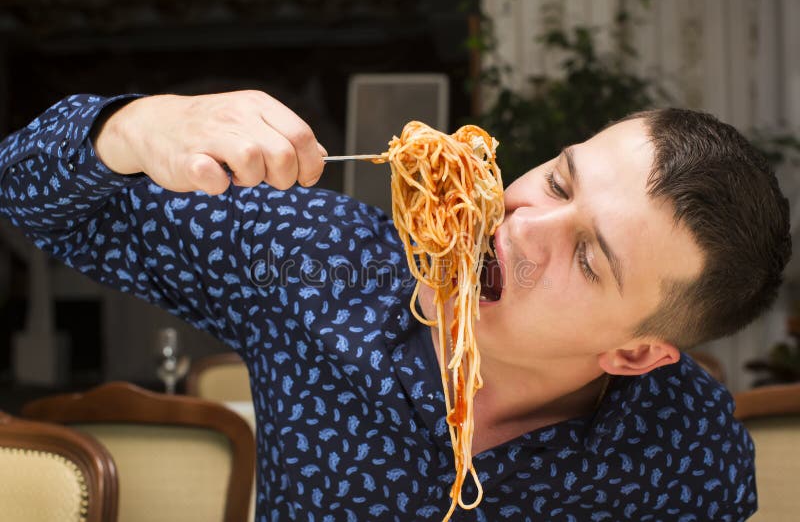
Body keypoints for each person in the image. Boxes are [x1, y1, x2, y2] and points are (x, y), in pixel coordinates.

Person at [0, 91, 790, 521]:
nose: (521, 226)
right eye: (557, 180)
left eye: (587, 257)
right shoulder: (319, 262)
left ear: (636, 353)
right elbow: (27, 193)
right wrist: (142, 126)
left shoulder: (688, 448)